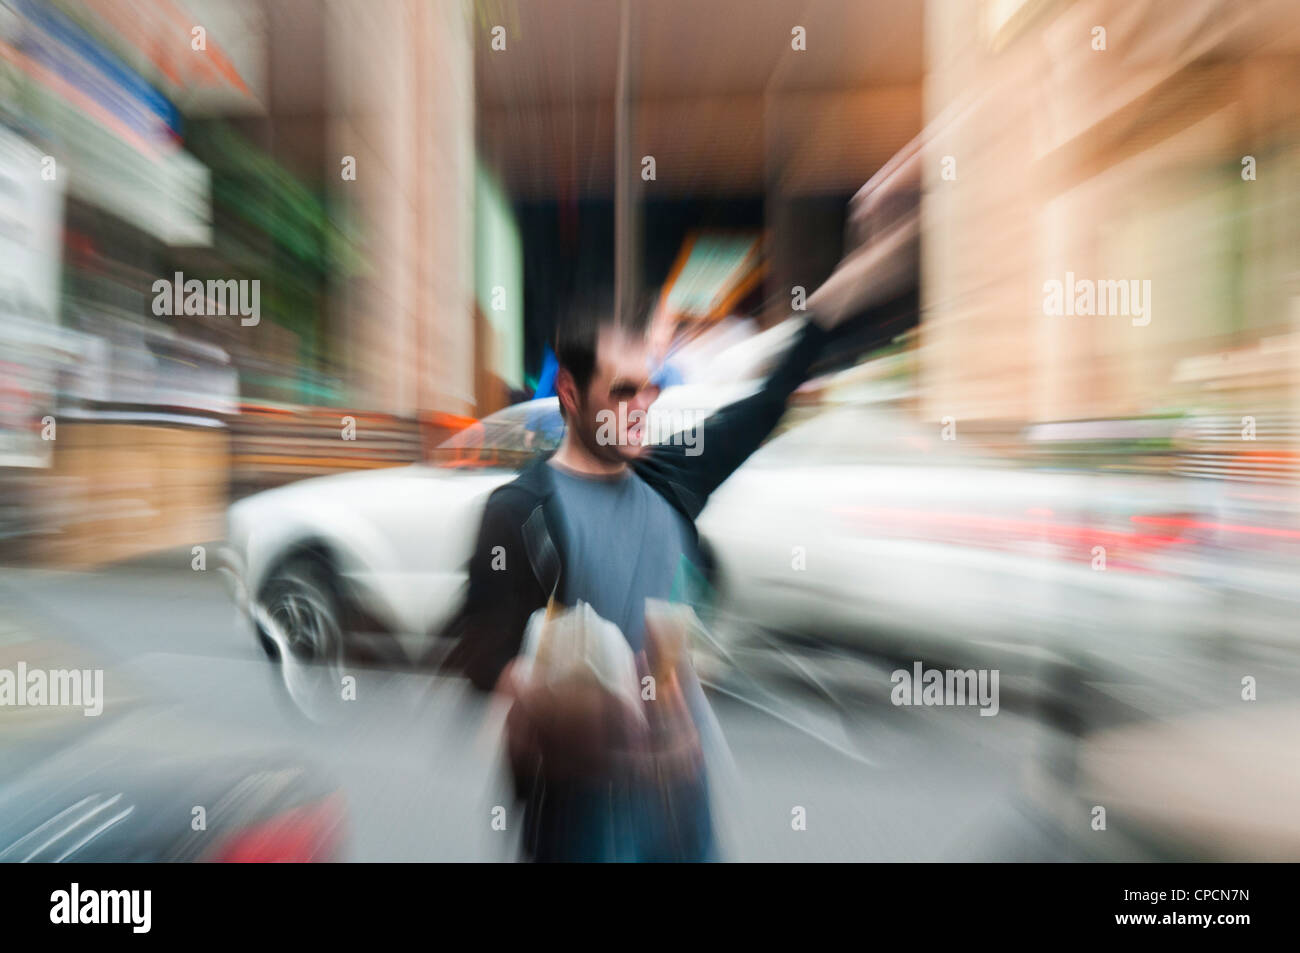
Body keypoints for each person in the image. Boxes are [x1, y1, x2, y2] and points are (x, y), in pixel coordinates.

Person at [442, 249, 878, 861]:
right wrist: (565, 701)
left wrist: (838, 293)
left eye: (649, 387)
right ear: (569, 391)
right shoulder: (520, 513)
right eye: (622, 391)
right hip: (580, 819)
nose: (642, 407)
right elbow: (480, 657)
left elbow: (767, 403)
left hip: (683, 804)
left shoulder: (671, 479)